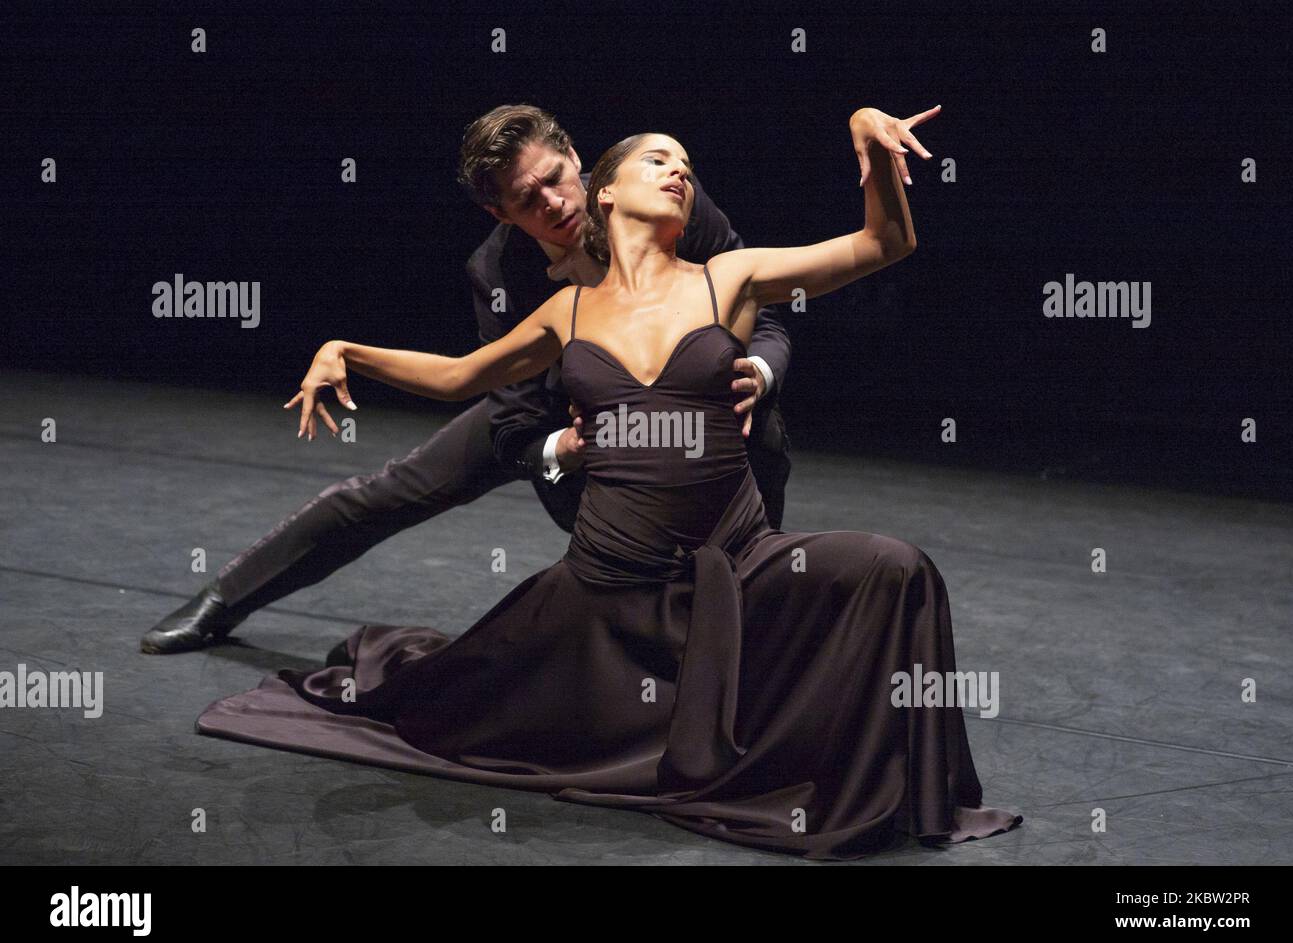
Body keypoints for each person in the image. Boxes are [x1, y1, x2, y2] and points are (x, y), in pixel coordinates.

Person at [197, 104, 1025, 860]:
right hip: (601, 542)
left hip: (722, 534)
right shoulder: (544, 300)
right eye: (658, 161)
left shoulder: (721, 273)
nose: (679, 173)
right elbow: (463, 380)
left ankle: (866, 772)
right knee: (423, 587)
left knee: (895, 566)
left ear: (579, 171)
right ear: (604, 193)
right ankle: (227, 598)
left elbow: (882, 245)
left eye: (685, 165)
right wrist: (346, 350)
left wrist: (867, 145)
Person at [142, 104, 792, 653]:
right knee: (389, 491)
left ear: (574, 155)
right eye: (528, 200)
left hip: (681, 391)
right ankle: (222, 599)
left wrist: (758, 372)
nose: (555, 202)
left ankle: (752, 603)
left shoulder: (657, 192)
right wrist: (563, 449)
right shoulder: (498, 273)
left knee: (758, 427)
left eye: (557, 178)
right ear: (500, 213)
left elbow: (764, 310)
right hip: (566, 406)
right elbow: (510, 420)